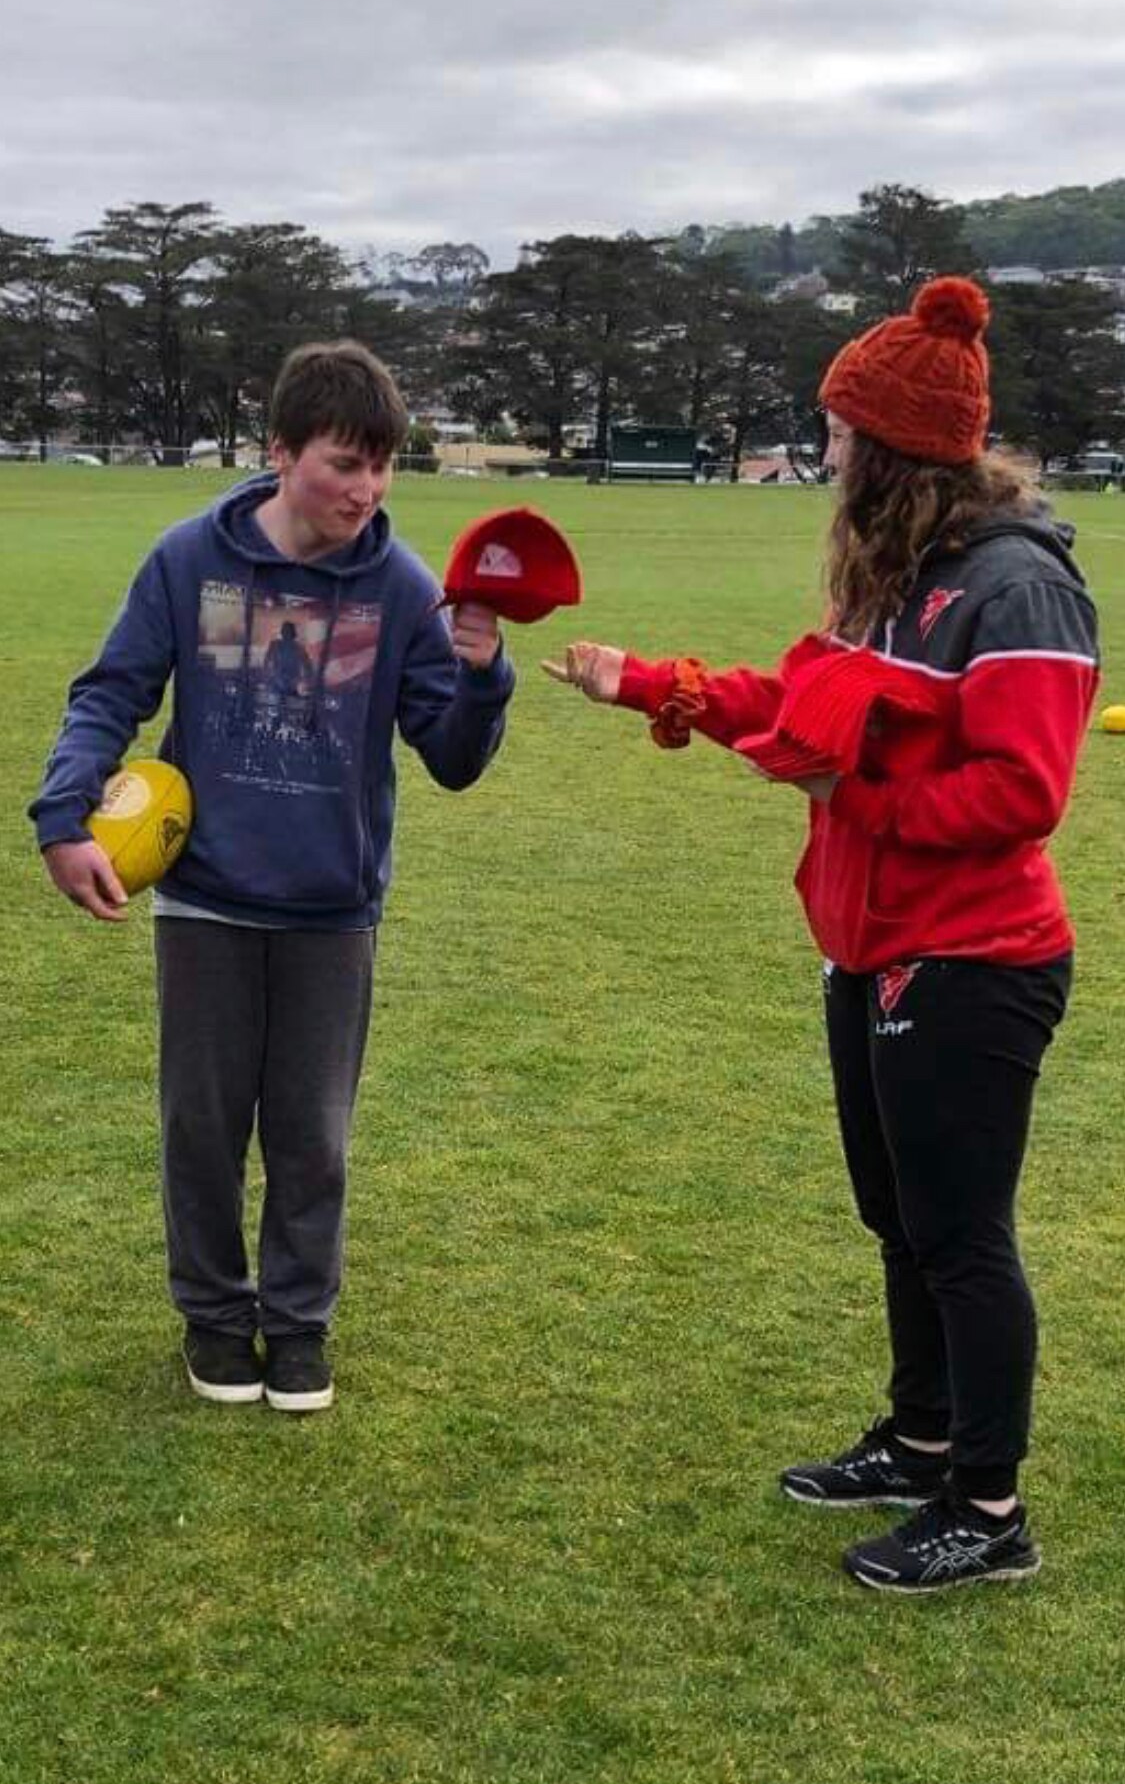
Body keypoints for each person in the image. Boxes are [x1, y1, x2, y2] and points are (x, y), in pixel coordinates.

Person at [543, 277, 1099, 1592]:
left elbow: (1025, 792)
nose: (827, 451)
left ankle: (988, 1501)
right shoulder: (898, 575)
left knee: (961, 1232)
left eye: (842, 430)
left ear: (896, 448)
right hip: (872, 944)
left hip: (974, 962)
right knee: (899, 1214)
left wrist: (857, 795)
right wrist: (653, 685)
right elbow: (797, 703)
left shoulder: (1014, 588)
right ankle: (919, 1436)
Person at [31, 340, 515, 1414]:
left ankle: (296, 1326)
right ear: (281, 451)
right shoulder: (185, 560)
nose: (367, 488)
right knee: (200, 1125)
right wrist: (64, 816)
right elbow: (110, 691)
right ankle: (213, 1315)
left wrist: (484, 676)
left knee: (314, 1135)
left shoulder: (401, 585)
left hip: (331, 909)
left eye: (383, 465)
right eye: (345, 463)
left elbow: (453, 756)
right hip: (203, 898)